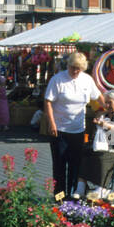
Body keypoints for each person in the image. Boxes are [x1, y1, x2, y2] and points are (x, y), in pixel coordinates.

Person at [42, 52, 102, 198]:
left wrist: (108, 108)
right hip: (60, 129)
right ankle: (59, 197)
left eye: (79, 69)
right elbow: (48, 102)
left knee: (76, 165)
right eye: (73, 68)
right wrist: (52, 123)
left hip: (78, 130)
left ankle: (74, 194)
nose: (75, 71)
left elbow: (98, 97)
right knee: (60, 165)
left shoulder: (87, 80)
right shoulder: (58, 80)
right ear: (68, 65)